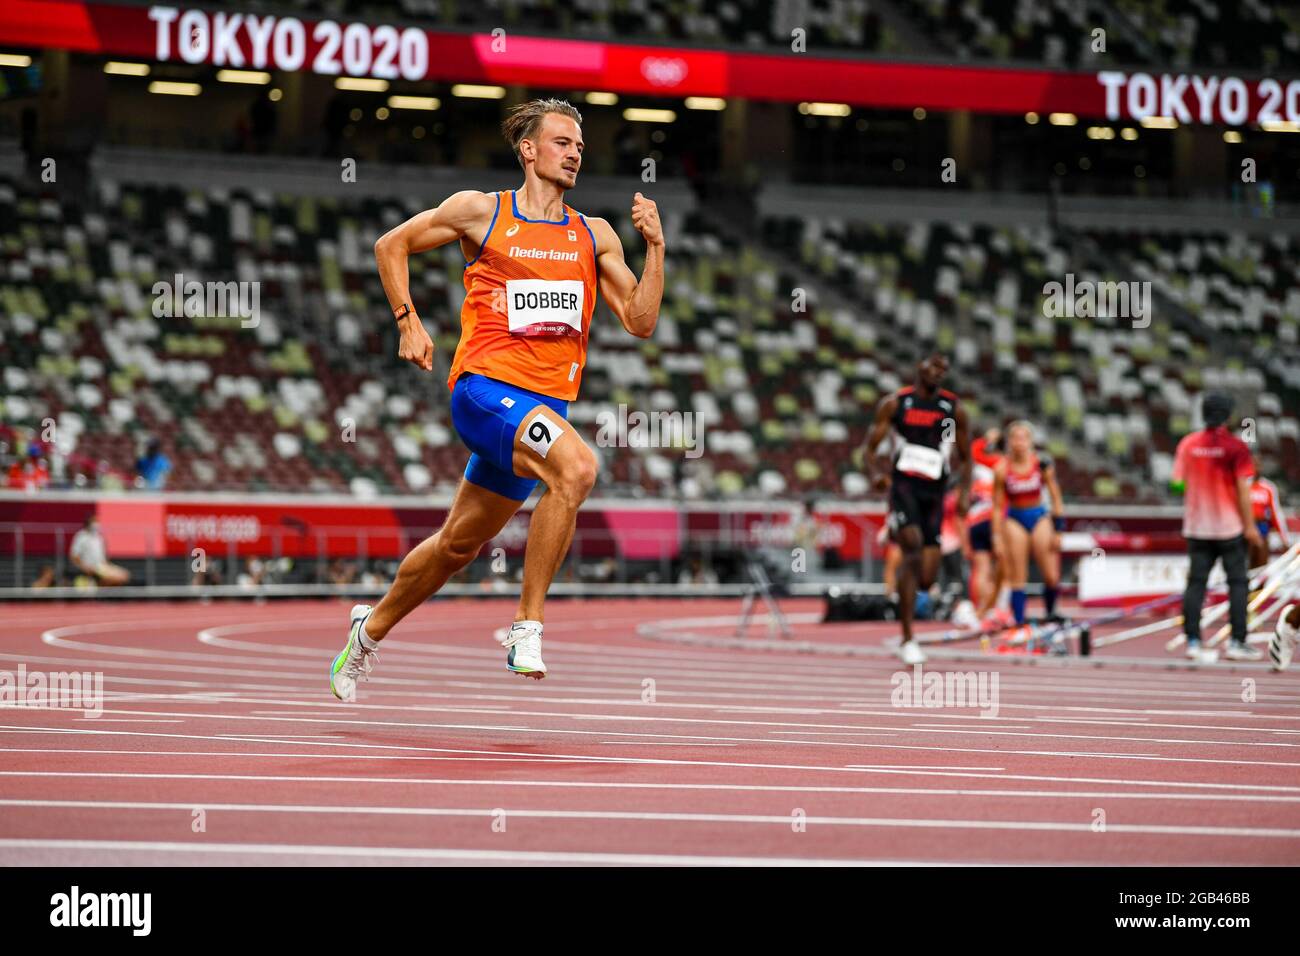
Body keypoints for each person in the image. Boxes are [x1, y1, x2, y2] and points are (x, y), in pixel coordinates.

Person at [330, 98, 664, 698]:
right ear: (529, 150)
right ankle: (526, 626)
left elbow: (640, 321)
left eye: (580, 146)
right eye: (563, 142)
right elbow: (390, 246)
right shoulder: (480, 212)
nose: (575, 153)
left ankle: (366, 633)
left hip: (543, 408)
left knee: (458, 545)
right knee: (579, 468)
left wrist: (656, 249)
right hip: (484, 391)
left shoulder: (594, 234)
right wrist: (408, 321)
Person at [862, 353, 971, 664]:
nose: (939, 371)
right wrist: (877, 476)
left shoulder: (952, 408)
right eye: (933, 365)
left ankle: (907, 550)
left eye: (944, 368)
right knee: (911, 552)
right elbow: (869, 450)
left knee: (926, 577)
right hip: (904, 486)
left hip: (935, 490)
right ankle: (908, 637)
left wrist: (963, 492)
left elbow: (967, 456)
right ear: (918, 368)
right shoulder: (897, 403)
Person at [1170, 392, 1263, 661]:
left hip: (1197, 527)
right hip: (1229, 528)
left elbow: (1176, 484)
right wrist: (1250, 527)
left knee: (1196, 584)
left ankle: (1193, 643)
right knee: (1237, 583)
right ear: (1228, 416)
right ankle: (1236, 642)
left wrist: (1196, 484)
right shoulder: (1237, 448)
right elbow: (1244, 493)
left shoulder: (1188, 444)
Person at [991, 420, 1065, 628]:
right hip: (1015, 518)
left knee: (1051, 574)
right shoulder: (1002, 469)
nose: (1019, 443)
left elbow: (1056, 496)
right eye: (1015, 438)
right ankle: (1019, 621)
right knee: (1017, 575)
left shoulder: (1042, 464)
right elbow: (997, 506)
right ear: (1009, 442)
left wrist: (1059, 529)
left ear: (1031, 441)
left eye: (1023, 438)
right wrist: (996, 536)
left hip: (1039, 516)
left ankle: (1051, 613)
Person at [69, 515, 130, 587]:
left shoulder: (99, 537)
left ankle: (97, 586)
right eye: (94, 522)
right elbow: (74, 556)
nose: (97, 524)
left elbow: (103, 557)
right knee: (116, 579)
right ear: (88, 523)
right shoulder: (81, 536)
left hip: (102, 567)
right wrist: (84, 568)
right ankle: (96, 586)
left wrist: (108, 565)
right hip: (91, 567)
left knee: (125, 575)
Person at [1247, 474, 1290, 570]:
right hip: (1245, 529)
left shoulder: (1268, 487)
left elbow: (1276, 513)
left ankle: (1261, 583)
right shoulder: (1243, 485)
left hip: (1262, 527)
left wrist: (1284, 538)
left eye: (1258, 464)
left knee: (1262, 565)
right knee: (1245, 564)